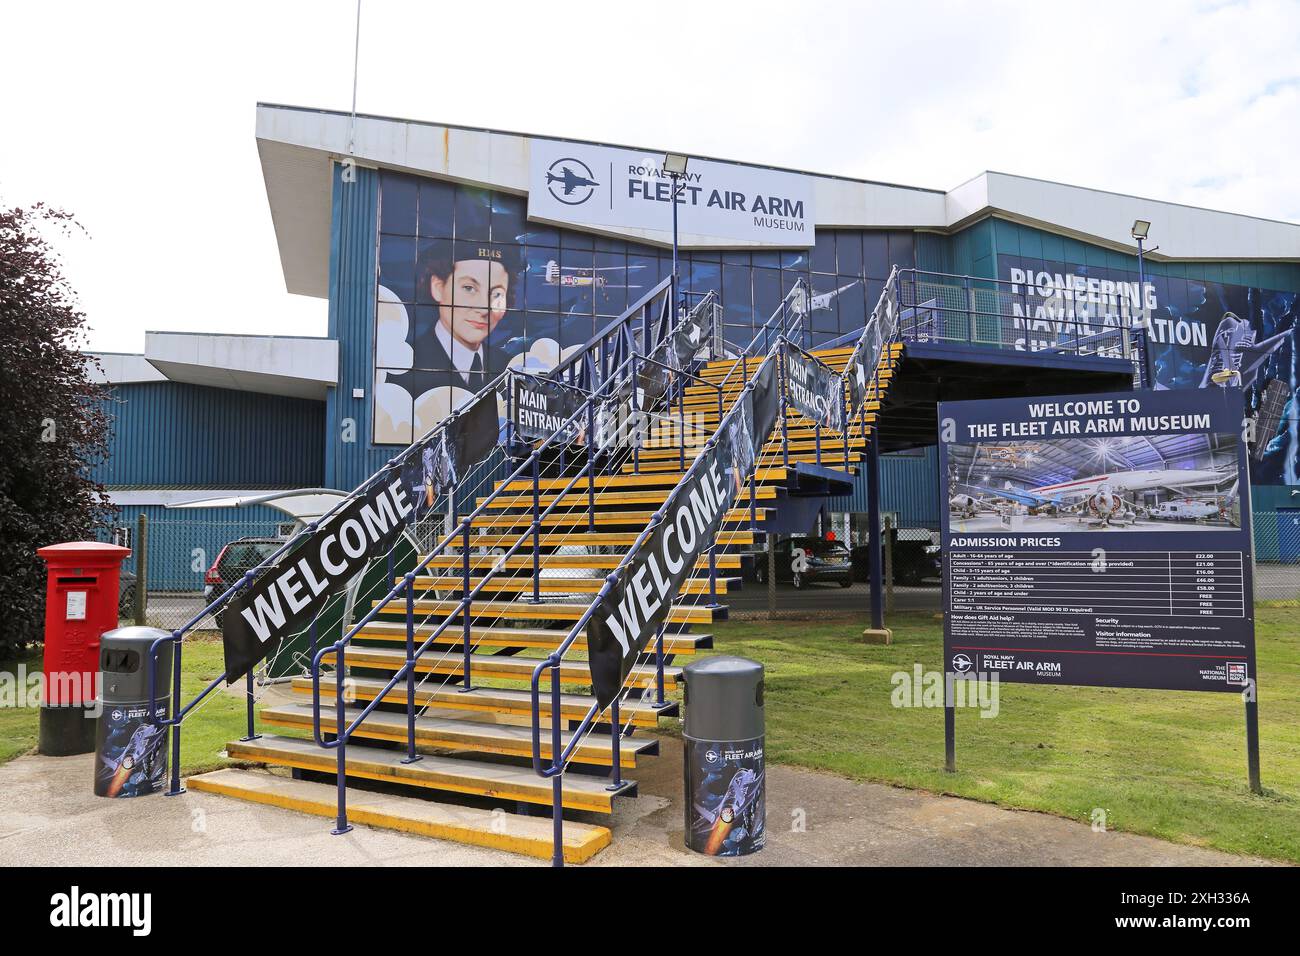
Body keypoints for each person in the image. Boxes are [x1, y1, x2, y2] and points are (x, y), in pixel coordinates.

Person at [374, 241, 519, 444]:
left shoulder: (509, 367)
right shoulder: (404, 369)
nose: (484, 308)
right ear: (438, 287)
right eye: (469, 288)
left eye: (497, 295)